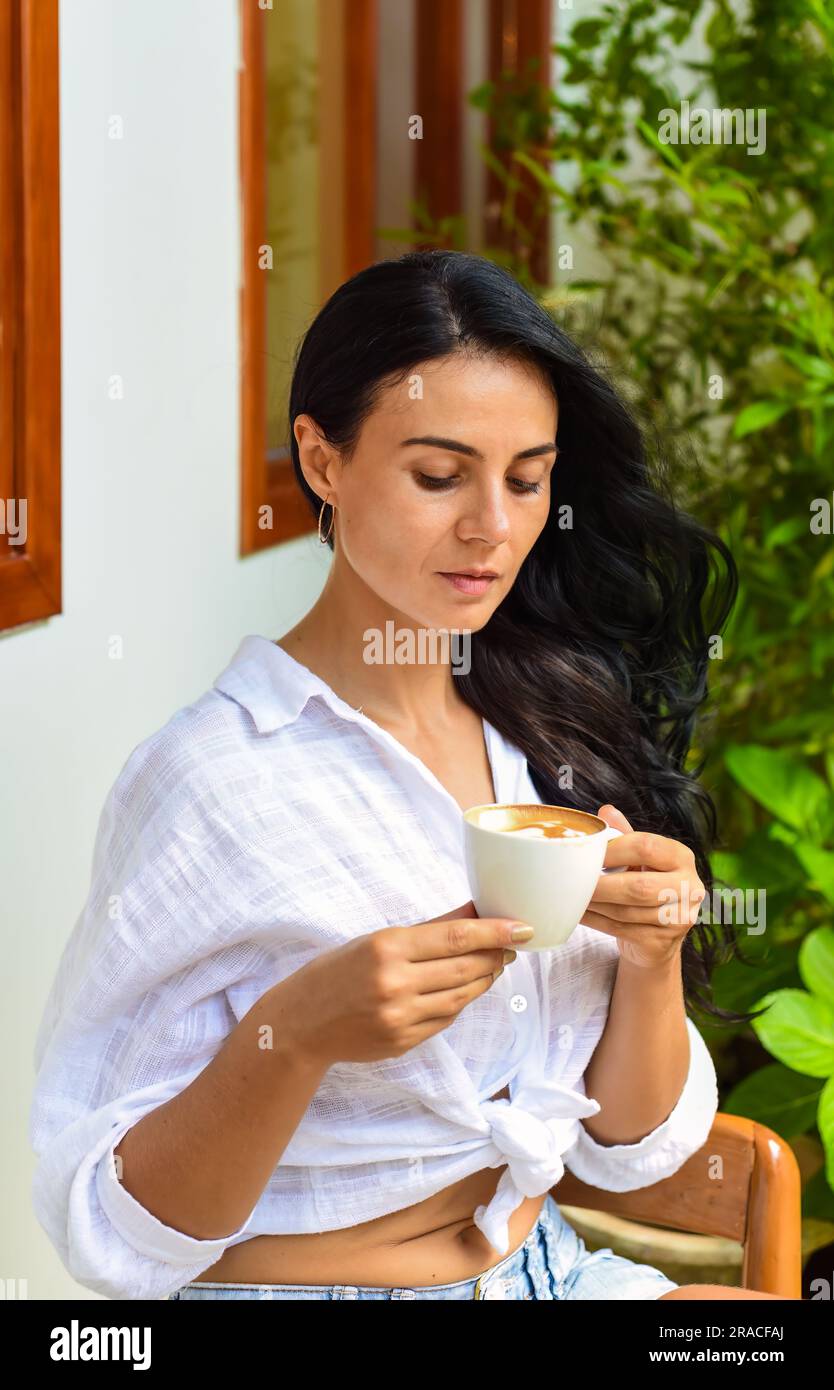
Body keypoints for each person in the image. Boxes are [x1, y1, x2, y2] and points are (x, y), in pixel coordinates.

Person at [30, 250, 792, 1301]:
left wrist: (653, 953)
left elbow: (627, 1148)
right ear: (323, 459)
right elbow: (113, 1235)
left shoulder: (544, 736)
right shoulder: (216, 780)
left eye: (527, 479)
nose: (493, 525)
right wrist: (293, 1034)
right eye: (440, 476)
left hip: (547, 1270)